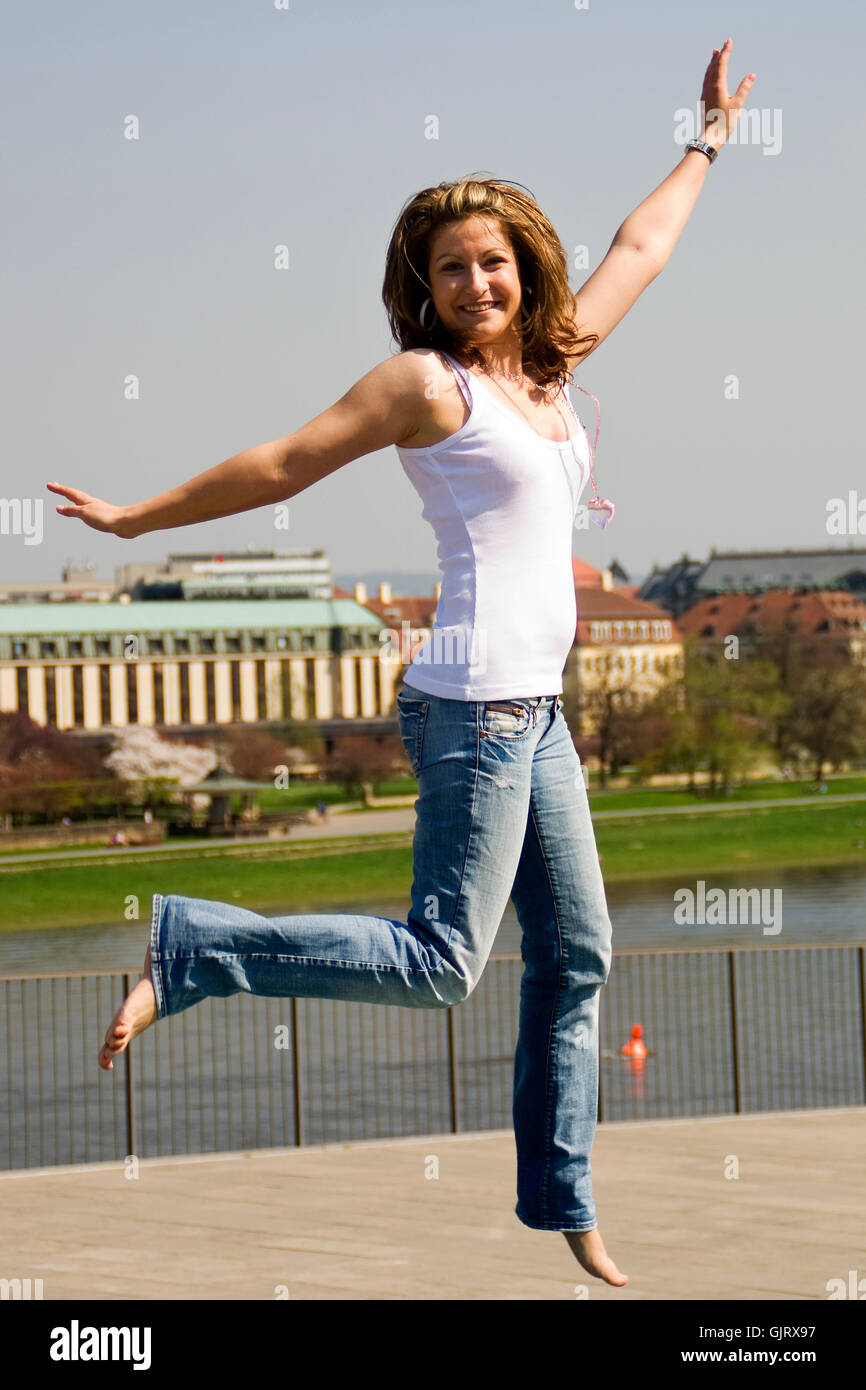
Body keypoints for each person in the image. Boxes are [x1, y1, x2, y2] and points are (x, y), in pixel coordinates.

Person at [46, 41, 755, 1288]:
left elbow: (639, 249)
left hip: (535, 720)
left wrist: (703, 140)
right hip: (470, 711)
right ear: (424, 287)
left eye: (492, 261)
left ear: (522, 267)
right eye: (450, 268)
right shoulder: (425, 386)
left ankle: (563, 1196)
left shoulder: (548, 368)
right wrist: (132, 521)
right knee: (440, 965)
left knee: (578, 954)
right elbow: (280, 463)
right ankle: (191, 948)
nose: (476, 280)